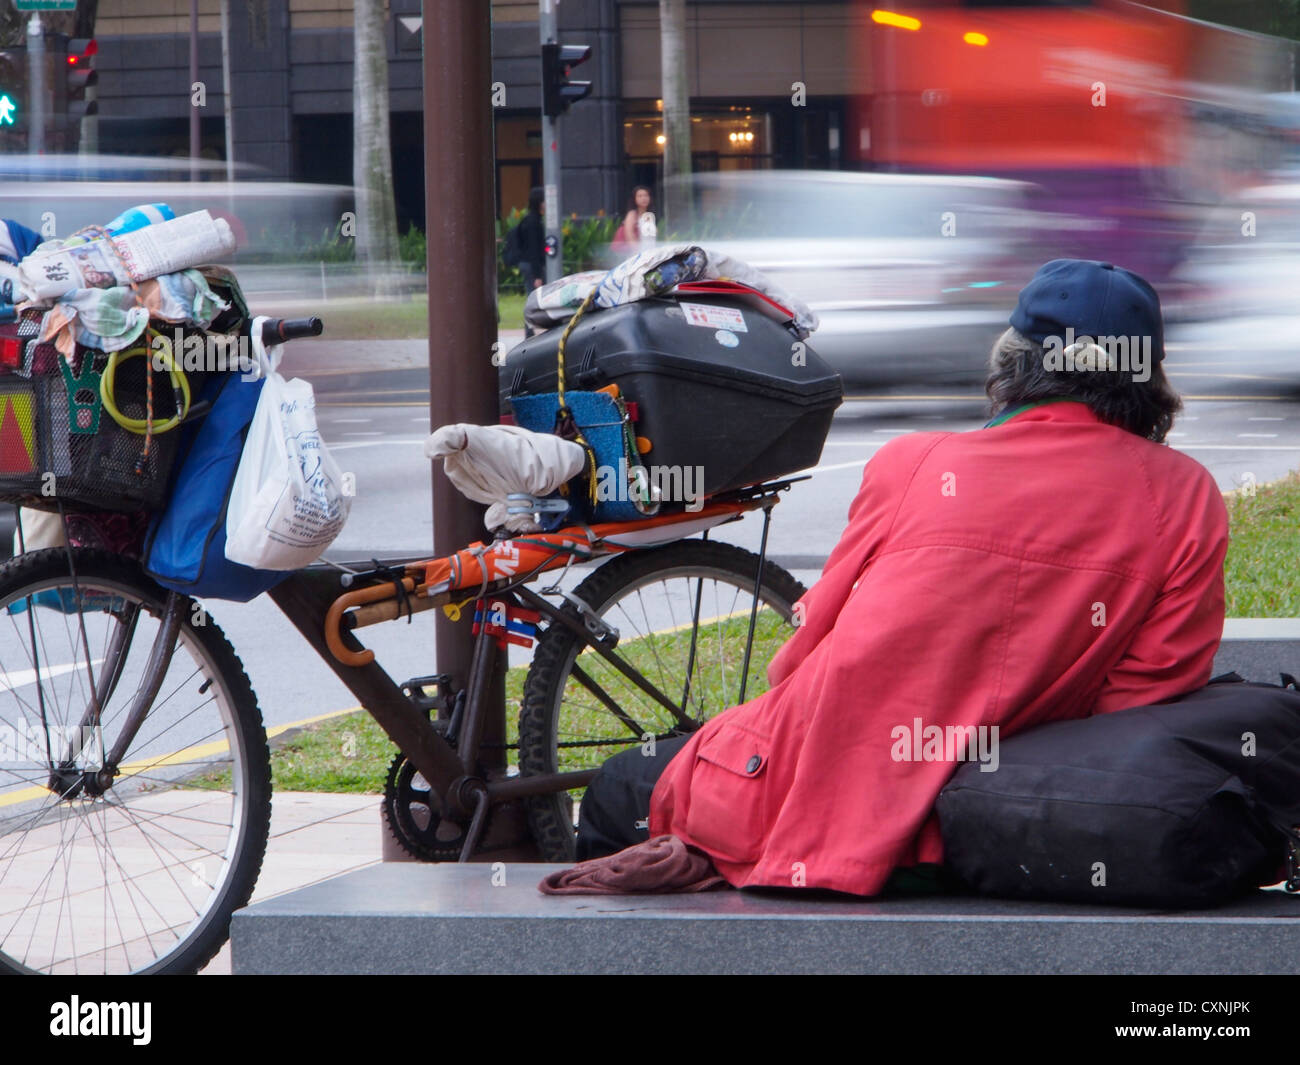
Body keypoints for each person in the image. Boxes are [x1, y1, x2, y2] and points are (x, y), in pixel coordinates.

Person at [576, 259, 1229, 897]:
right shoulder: (1186, 497)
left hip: (807, 807)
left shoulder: (914, 462)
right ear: (1147, 380)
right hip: (996, 825)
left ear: (1014, 364)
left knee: (619, 786)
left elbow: (797, 657)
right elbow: (1142, 698)